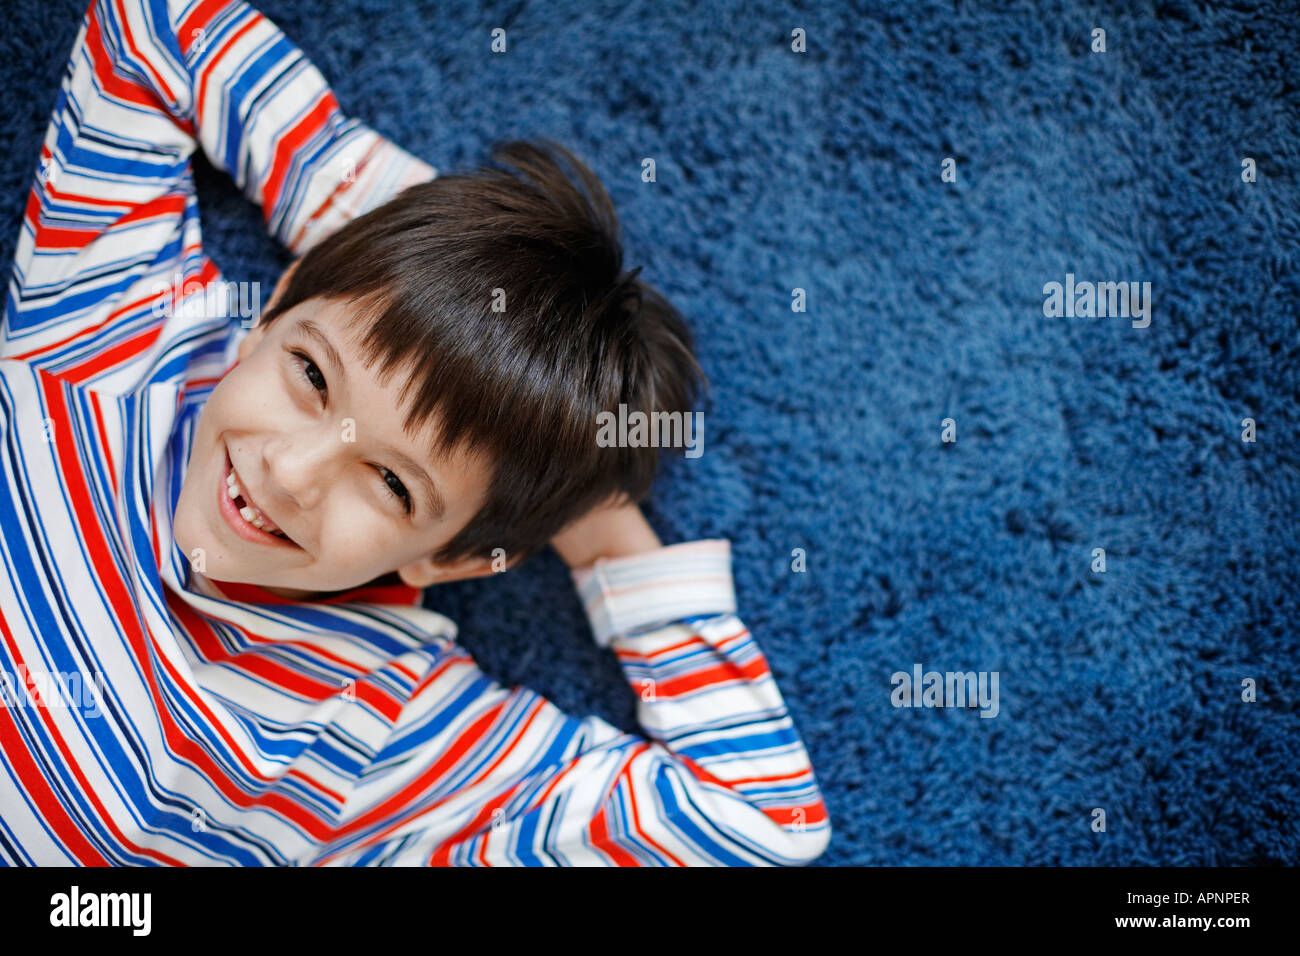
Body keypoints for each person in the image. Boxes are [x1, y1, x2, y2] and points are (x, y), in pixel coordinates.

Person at [0, 0, 831, 865]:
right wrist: (380, 238)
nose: (291, 470)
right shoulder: (116, 334)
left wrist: (592, 522)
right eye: (312, 376)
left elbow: (762, 827)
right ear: (277, 304)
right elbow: (153, 28)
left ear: (457, 559)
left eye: (394, 485)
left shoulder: (386, 728)